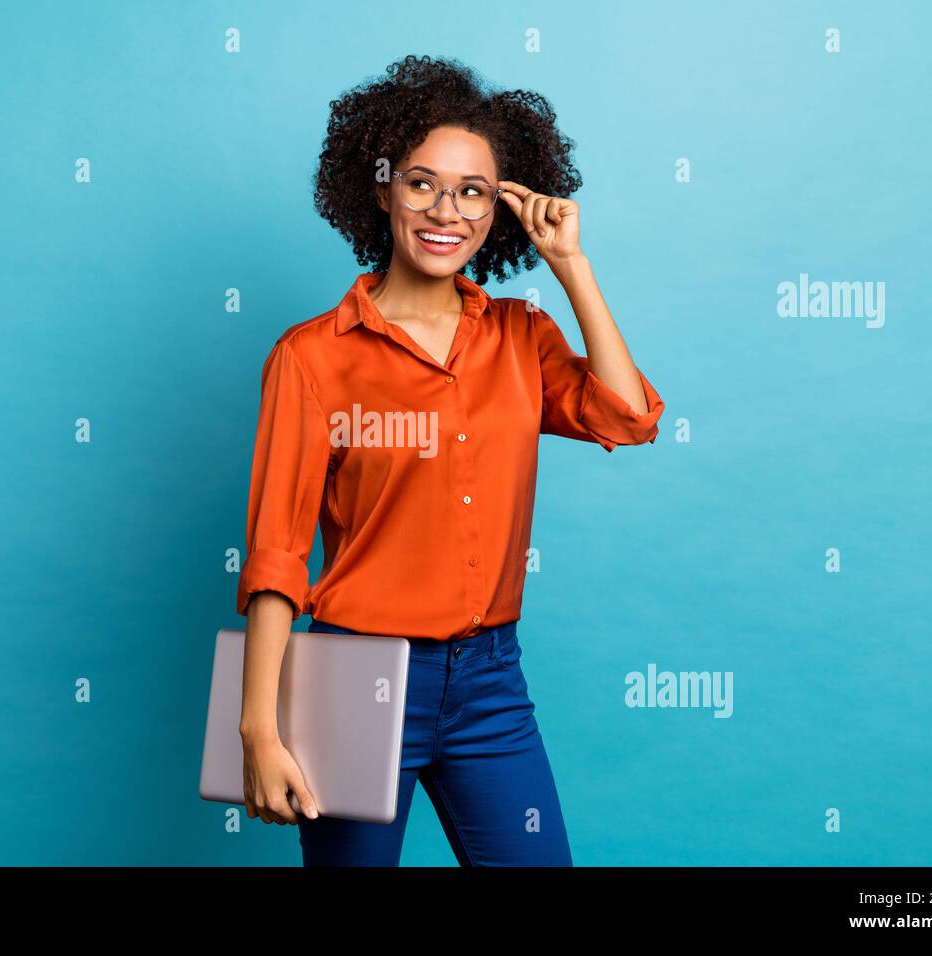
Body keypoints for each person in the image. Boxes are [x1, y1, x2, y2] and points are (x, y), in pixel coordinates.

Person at [235, 54, 666, 866]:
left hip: (491, 685)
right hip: (354, 681)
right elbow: (276, 553)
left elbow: (630, 416)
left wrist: (570, 266)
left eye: (472, 191)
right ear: (380, 187)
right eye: (422, 183)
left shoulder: (519, 339)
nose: (446, 210)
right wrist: (259, 727)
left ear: (499, 208)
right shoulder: (310, 360)